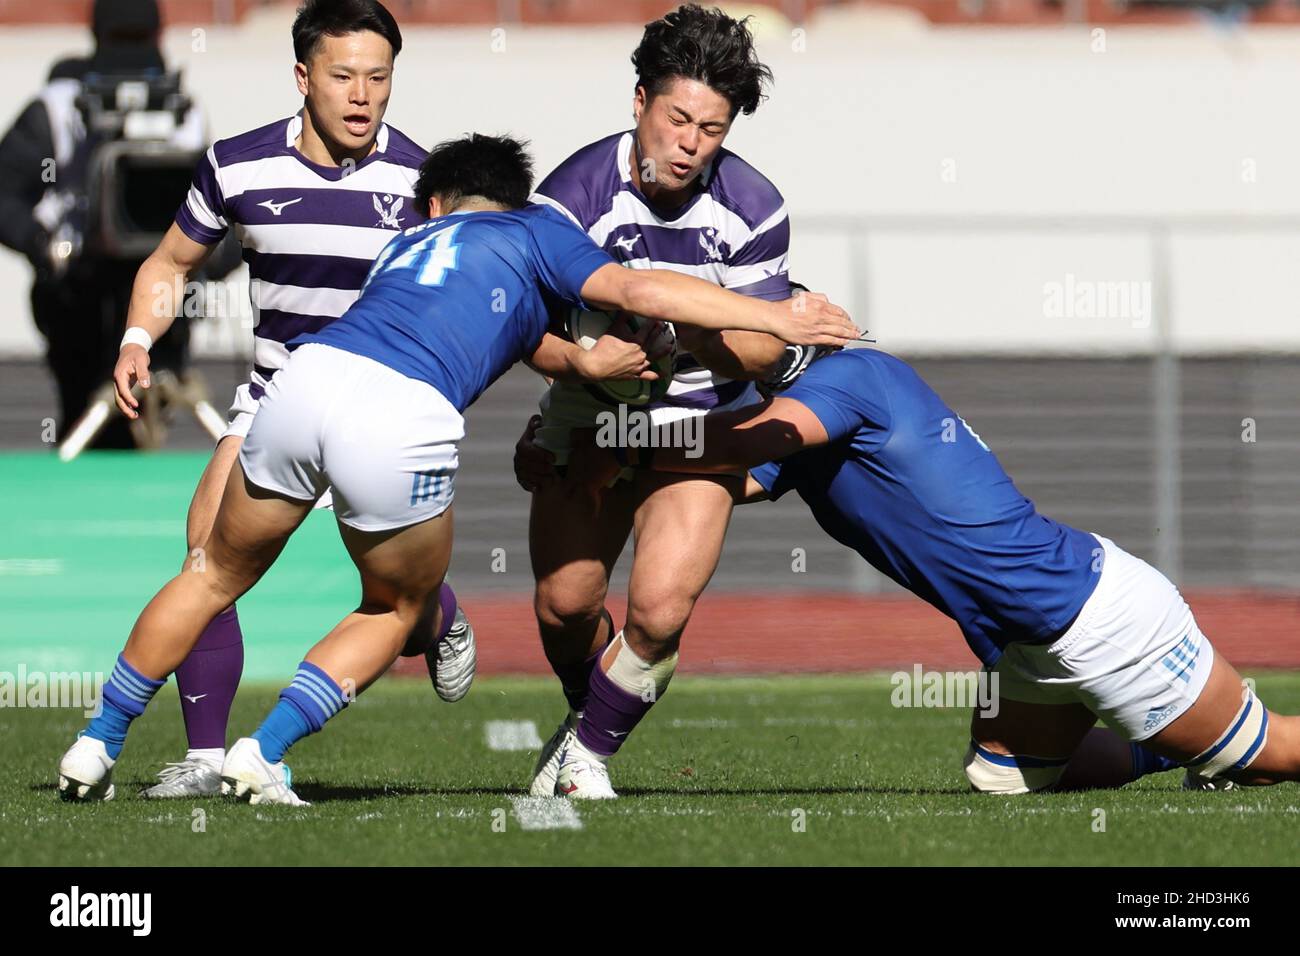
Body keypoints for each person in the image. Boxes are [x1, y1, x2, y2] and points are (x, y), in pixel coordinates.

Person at [54, 132, 859, 805]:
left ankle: (96, 742)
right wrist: (776, 314)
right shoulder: (536, 229)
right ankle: (263, 750)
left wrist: (578, 363)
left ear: (434, 202)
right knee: (395, 606)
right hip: (398, 416)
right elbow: (638, 286)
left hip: (304, 381)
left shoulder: (407, 242)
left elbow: (510, 331)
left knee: (210, 573)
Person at [556, 346, 1294, 796]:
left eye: (733, 316)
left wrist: (618, 441)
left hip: (1099, 619)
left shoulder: (851, 378)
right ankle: (1174, 748)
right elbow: (716, 480)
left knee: (1275, 758)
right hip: (1025, 649)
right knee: (999, 779)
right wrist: (565, 458)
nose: (711, 334)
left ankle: (1213, 741)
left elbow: (730, 440)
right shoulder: (799, 419)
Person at [108, 0, 478, 799]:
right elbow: (171, 264)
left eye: (379, 78)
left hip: (381, 412)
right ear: (303, 77)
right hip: (278, 398)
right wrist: (138, 339)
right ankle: (208, 761)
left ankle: (435, 613)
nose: (362, 96)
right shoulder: (237, 165)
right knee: (207, 555)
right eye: (343, 76)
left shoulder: (422, 185)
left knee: (393, 594)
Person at [520, 3, 813, 799]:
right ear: (640, 100)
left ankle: (586, 758)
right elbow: (523, 331)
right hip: (590, 415)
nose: (689, 143)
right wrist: (581, 363)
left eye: (711, 129)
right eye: (678, 118)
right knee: (563, 607)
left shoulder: (755, 207)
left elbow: (760, 352)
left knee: (658, 611)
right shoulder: (569, 196)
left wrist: (671, 322)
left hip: (699, 423)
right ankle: (586, 725)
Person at [0, 0, 207, 449]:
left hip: (164, 293)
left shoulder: (182, 115)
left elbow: (214, 208)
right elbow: (4, 194)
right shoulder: (57, 112)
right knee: (80, 405)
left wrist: (206, 257)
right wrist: (43, 244)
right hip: (79, 295)